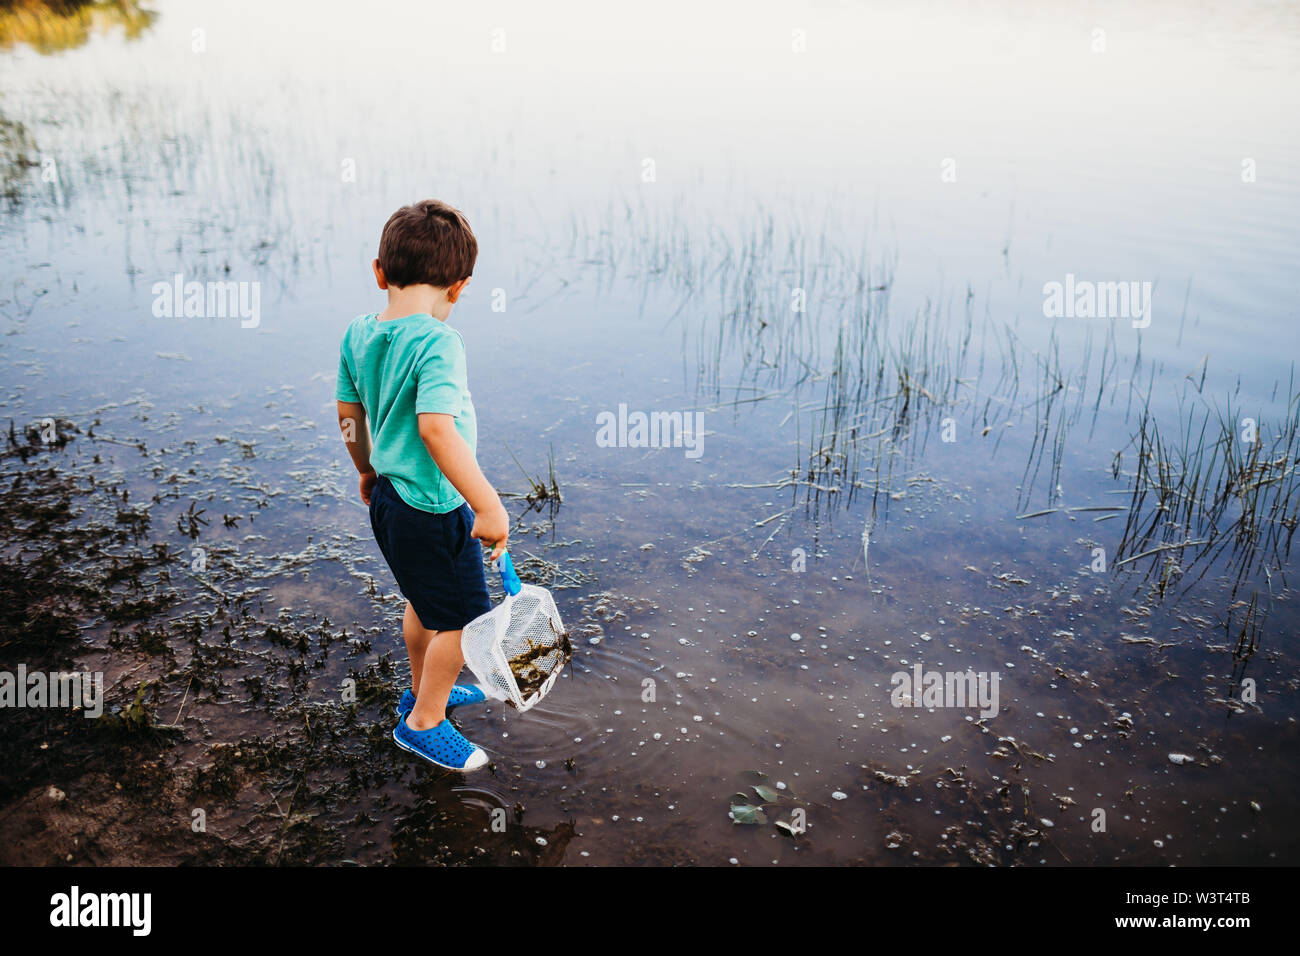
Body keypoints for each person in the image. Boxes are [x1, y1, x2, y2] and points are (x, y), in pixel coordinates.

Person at [335, 200, 508, 771]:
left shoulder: (359, 333)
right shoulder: (439, 343)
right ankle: (424, 722)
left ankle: (424, 686)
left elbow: (349, 413)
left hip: (388, 500)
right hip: (433, 507)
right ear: (457, 288)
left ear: (380, 271)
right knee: (466, 622)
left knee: (423, 601)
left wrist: (365, 468)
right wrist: (488, 504)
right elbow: (436, 429)